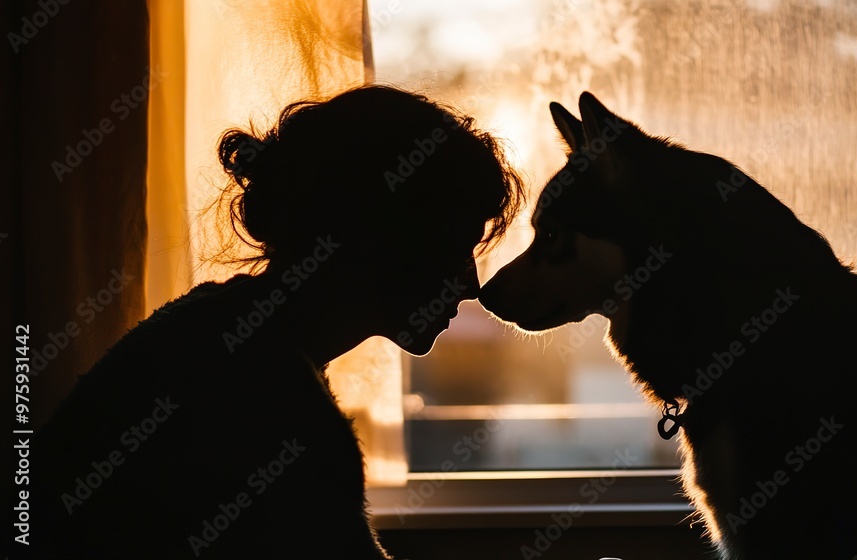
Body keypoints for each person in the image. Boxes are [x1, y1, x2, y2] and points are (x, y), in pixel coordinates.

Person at [28, 85, 523, 559]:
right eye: (455, 251)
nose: (471, 286)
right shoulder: (271, 400)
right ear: (380, 239)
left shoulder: (215, 328)